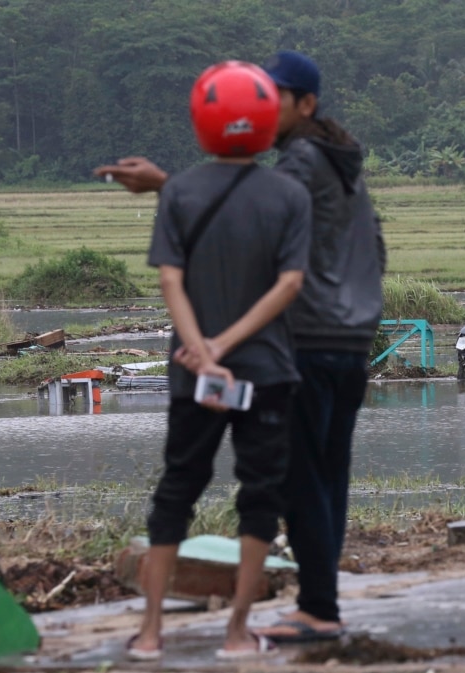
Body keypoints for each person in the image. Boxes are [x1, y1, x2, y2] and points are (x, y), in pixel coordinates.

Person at [98, 50, 385, 642]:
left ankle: (318, 609)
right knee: (329, 474)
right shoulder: (336, 156)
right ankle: (321, 603)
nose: (256, 102)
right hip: (353, 334)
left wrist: (165, 186)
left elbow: (245, 210)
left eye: (270, 94)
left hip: (307, 337)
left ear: (304, 105)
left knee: (301, 480)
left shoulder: (301, 162)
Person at [125, 60, 312, 661]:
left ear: (200, 121)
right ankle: (236, 632)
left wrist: (203, 352)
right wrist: (229, 347)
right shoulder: (288, 193)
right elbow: (288, 287)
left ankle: (151, 633)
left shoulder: (178, 191)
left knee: (177, 486)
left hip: (194, 371)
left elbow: (170, 279)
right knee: (259, 494)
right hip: (267, 372)